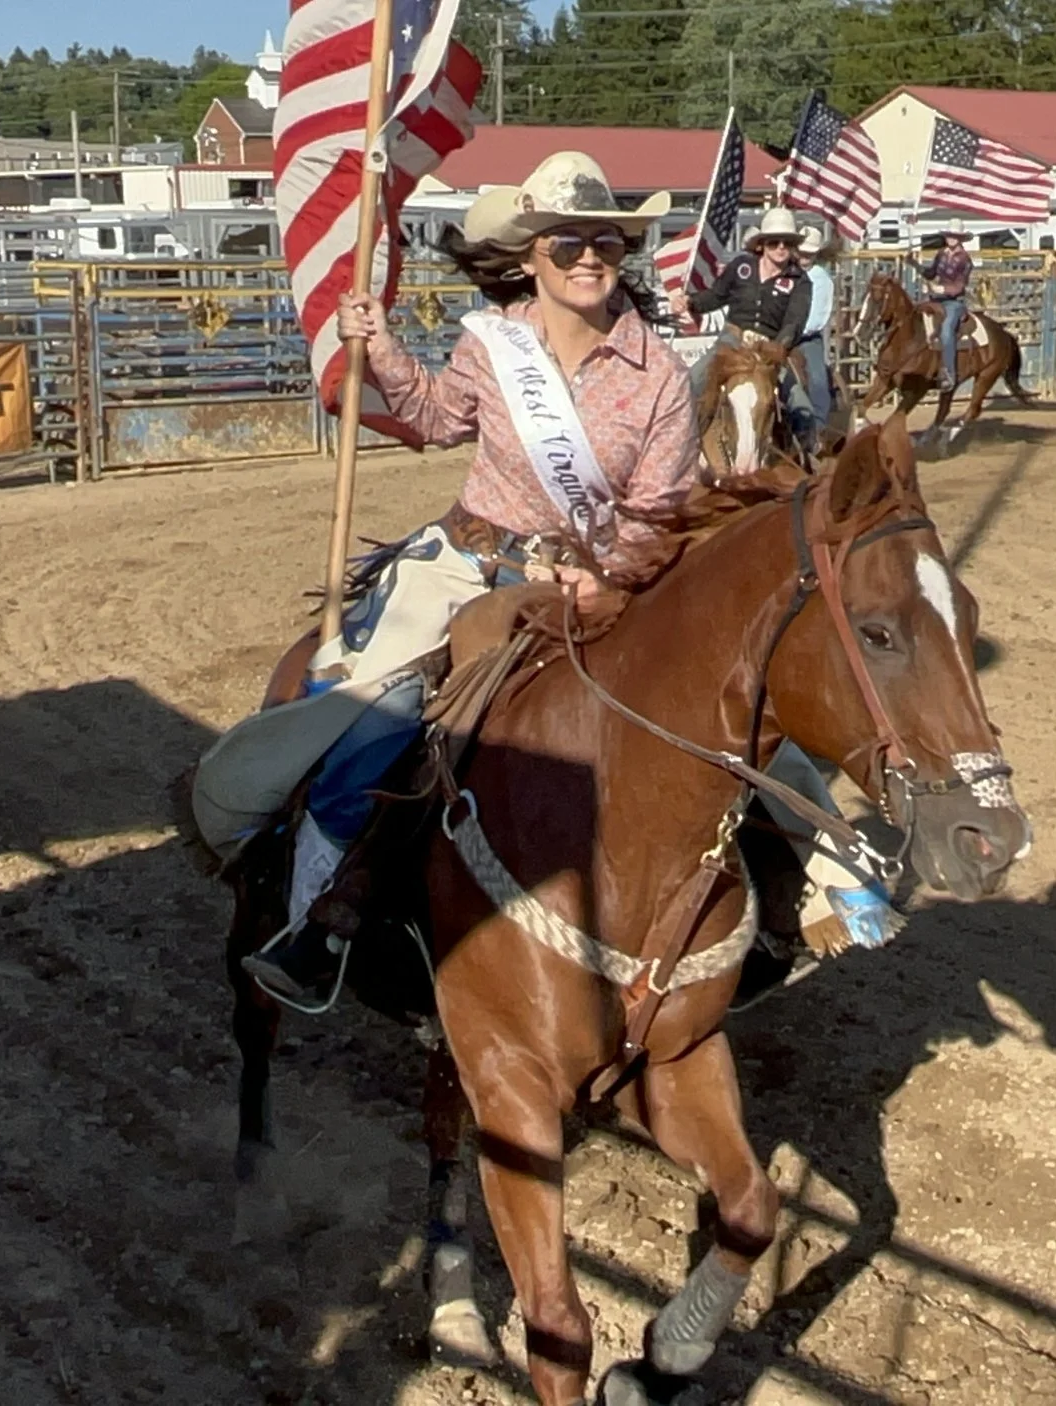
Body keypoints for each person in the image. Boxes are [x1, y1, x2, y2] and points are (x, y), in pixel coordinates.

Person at [223, 151, 699, 1007]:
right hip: (467, 568)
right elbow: (440, 421)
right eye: (567, 245)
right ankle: (320, 926)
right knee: (375, 716)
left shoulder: (660, 374)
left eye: (605, 242)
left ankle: (785, 899)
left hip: (590, 589)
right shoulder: (495, 347)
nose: (589, 258)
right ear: (529, 260)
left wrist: (610, 579)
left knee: (709, 706)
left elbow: (660, 509)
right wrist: (386, 352)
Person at [673, 206, 814, 444]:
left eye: (787, 243)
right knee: (691, 383)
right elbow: (716, 296)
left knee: (801, 407)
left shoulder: (800, 281)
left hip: (770, 348)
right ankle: (683, 446)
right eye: (773, 242)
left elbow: (794, 321)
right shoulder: (741, 267)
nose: (780, 248)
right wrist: (690, 302)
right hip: (731, 341)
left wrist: (779, 348)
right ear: (761, 245)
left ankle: (805, 457)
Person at [794, 219, 839, 446]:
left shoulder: (821, 280)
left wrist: (791, 331)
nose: (803, 258)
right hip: (780, 335)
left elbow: (816, 319)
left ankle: (818, 428)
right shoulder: (787, 273)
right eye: (801, 252)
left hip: (805, 338)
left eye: (808, 254)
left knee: (817, 379)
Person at [913, 227, 973, 391]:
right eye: (949, 235)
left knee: (947, 330)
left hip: (954, 302)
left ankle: (949, 374)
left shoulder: (965, 260)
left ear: (960, 238)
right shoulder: (941, 254)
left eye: (955, 236)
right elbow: (930, 274)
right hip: (936, 299)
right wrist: (915, 265)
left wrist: (942, 290)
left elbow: (960, 285)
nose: (951, 238)